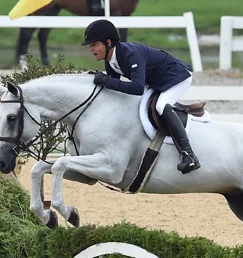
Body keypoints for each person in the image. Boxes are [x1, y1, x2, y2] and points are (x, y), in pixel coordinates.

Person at [81, 19, 201, 174]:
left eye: (94, 44)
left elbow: (137, 88)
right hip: (156, 82)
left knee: (161, 105)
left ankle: (188, 154)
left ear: (108, 42)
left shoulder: (131, 54)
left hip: (177, 76)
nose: (91, 49)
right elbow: (113, 88)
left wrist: (106, 81)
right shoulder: (110, 60)